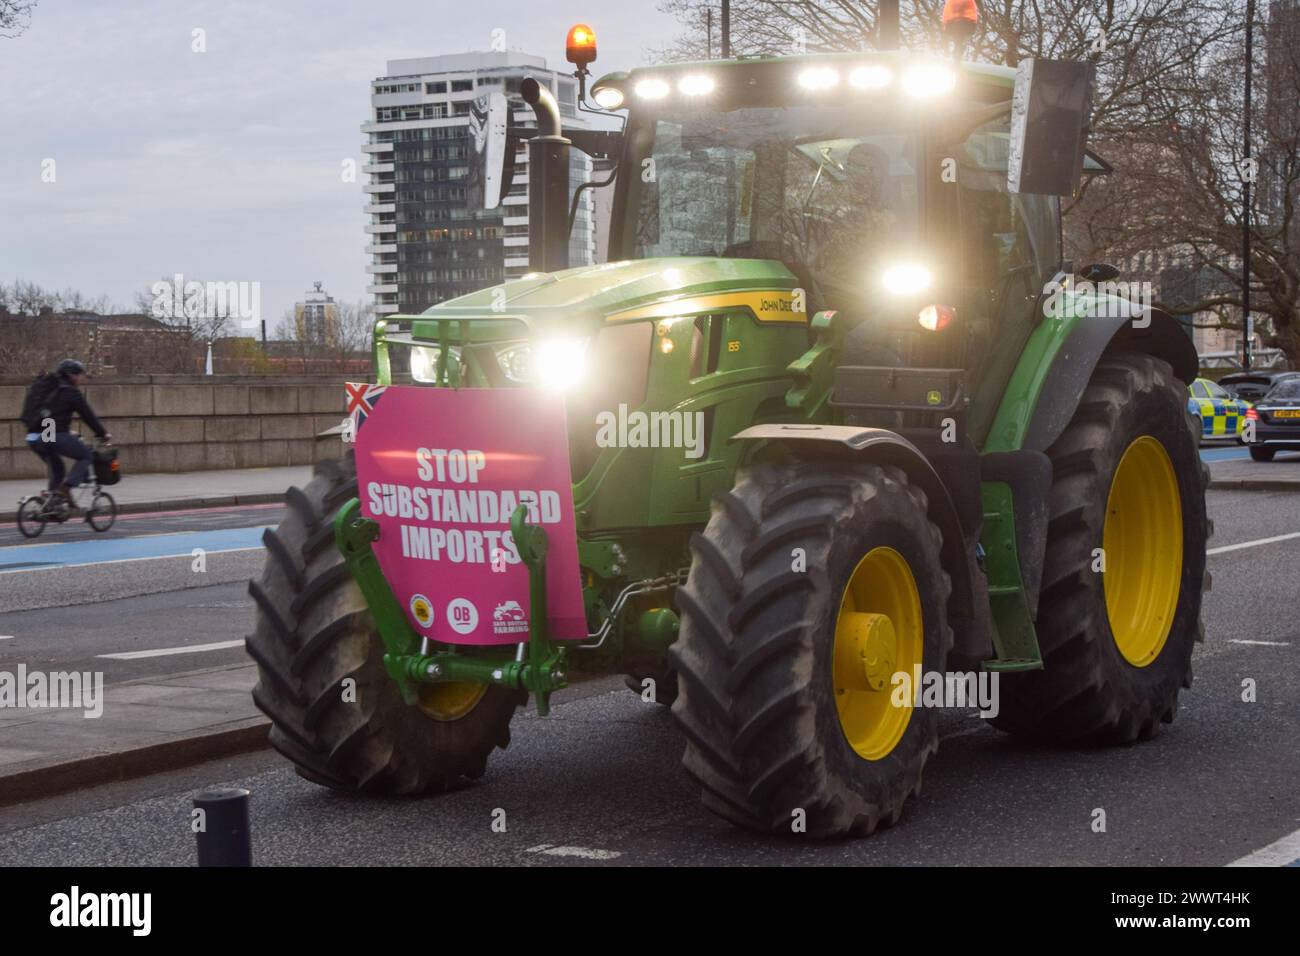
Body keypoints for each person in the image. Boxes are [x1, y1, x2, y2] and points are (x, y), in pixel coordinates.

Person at [23, 359, 111, 508]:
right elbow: (88, 416)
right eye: (79, 375)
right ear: (71, 375)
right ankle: (66, 487)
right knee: (86, 455)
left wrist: (66, 431)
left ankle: (51, 506)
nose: (80, 379)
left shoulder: (46, 387)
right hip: (52, 435)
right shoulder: (70, 391)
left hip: (33, 436)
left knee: (58, 468)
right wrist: (103, 433)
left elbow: (47, 415)